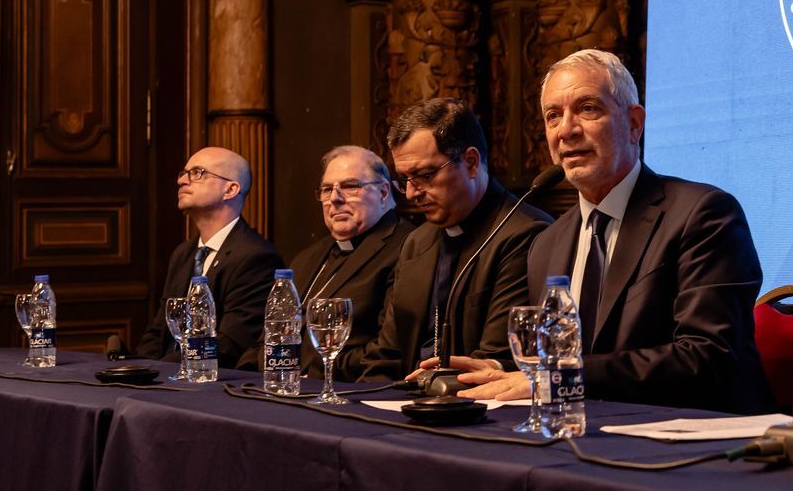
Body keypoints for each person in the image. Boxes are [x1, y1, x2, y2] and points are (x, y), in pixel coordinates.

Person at [429, 49, 774, 414]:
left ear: (634, 124)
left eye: (588, 108)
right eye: (553, 116)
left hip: (698, 441)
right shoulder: (547, 242)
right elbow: (563, 360)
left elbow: (707, 357)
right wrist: (506, 371)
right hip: (584, 435)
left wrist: (556, 378)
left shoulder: (703, 214)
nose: (566, 130)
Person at [357, 98, 551, 381]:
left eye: (424, 175)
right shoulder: (416, 243)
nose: (411, 194)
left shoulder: (525, 233)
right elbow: (386, 355)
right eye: (405, 179)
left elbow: (495, 361)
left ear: (471, 162)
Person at [235, 145, 413, 379]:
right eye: (327, 189)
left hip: (350, 392)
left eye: (350, 186)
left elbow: (388, 352)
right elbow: (268, 338)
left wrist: (315, 370)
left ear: (383, 193)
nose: (334, 199)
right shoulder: (308, 256)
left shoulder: (407, 247)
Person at [135, 146, 284, 368]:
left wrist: (160, 370)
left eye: (197, 172)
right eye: (183, 173)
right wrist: (137, 369)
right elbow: (159, 333)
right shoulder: (183, 253)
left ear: (231, 189)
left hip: (212, 385)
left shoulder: (256, 258)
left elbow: (229, 345)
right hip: (167, 378)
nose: (182, 181)